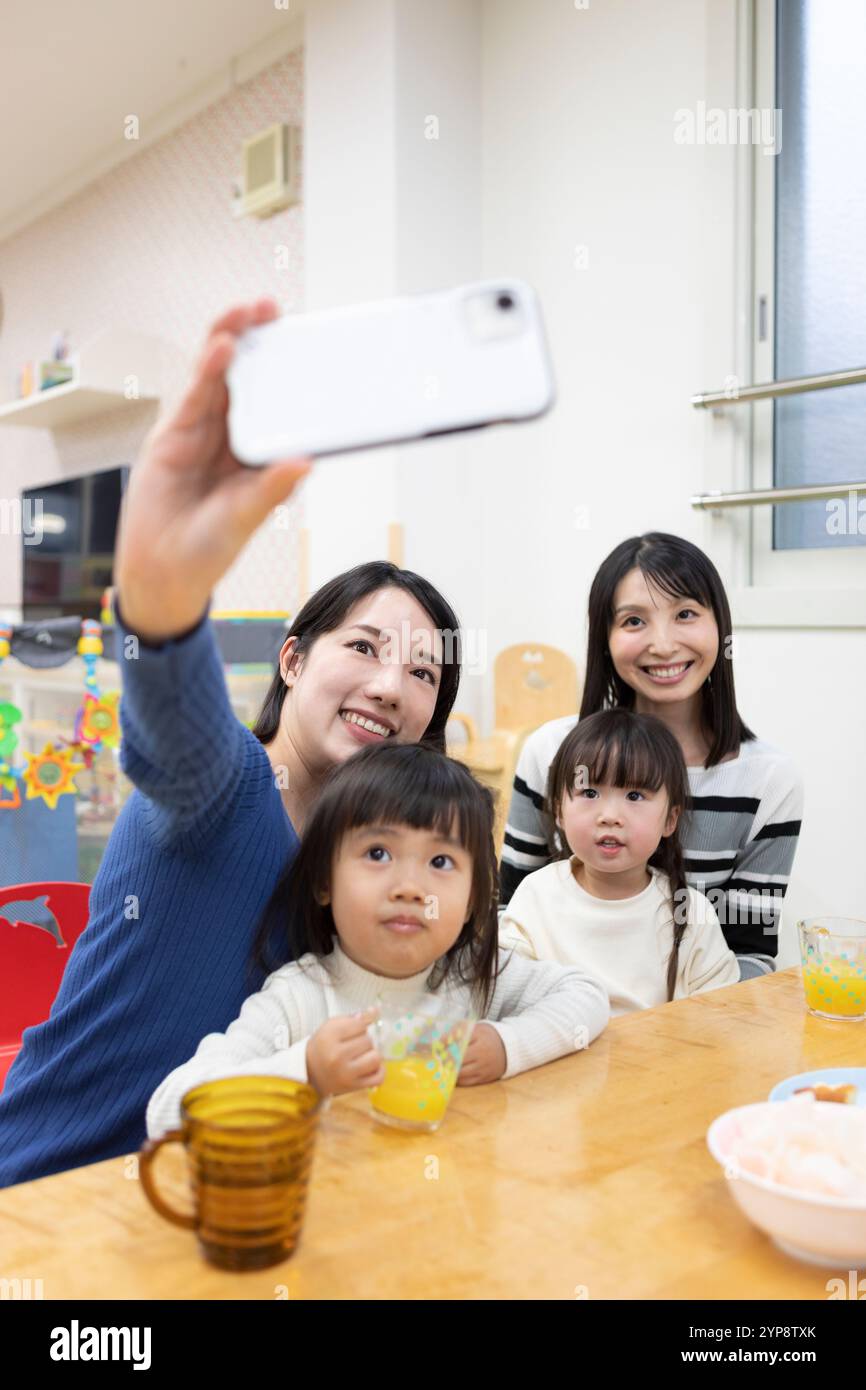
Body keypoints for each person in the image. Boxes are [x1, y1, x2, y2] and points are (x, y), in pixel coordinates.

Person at [0, 300, 463, 1187]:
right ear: (292, 660)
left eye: (422, 675)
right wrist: (160, 597)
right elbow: (177, 722)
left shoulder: (369, 861)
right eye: (363, 648)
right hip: (63, 1188)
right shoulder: (224, 790)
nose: (388, 687)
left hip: (234, 1193)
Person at [146, 742, 610, 1135]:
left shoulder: (472, 972)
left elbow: (585, 996)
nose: (410, 887)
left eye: (441, 862)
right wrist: (306, 1071)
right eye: (378, 852)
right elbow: (168, 1112)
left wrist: (505, 1047)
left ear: (472, 898)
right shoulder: (300, 997)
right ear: (323, 881)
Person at [500, 532, 804, 980]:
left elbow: (749, 955)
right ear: (604, 638)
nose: (662, 644)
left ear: (720, 627)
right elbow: (509, 910)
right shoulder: (551, 753)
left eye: (685, 614)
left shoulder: (769, 781)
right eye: (633, 621)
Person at [499, 709, 740, 1013]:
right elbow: (504, 1000)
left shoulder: (692, 913)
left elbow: (721, 1017)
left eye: (635, 796)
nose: (610, 816)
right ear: (558, 810)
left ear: (670, 819)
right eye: (589, 792)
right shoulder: (536, 897)